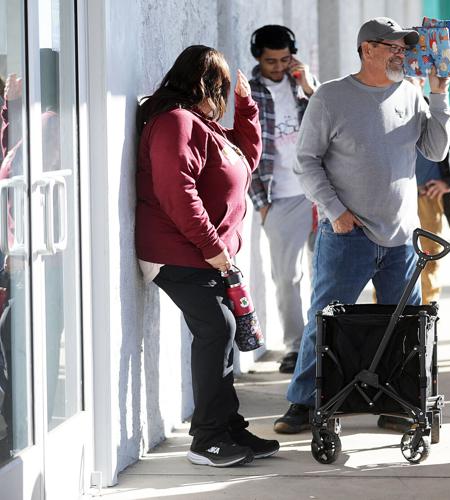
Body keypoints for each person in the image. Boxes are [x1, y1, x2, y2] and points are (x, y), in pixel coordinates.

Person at [272, 17, 450, 434]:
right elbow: (306, 162)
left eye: (405, 49)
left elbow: (435, 148)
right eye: (394, 47)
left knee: (404, 324)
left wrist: (440, 97)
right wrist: (335, 210)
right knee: (326, 319)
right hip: (346, 233)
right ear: (367, 49)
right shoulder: (332, 97)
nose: (402, 55)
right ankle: (302, 402)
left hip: (401, 236)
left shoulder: (410, 93)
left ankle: (399, 401)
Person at [135, 45, 279, 467]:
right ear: (204, 84)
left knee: (225, 331)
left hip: (206, 254)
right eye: (222, 89)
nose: (223, 97)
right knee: (217, 329)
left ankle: (227, 426)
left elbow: (246, 161)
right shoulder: (174, 122)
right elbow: (177, 192)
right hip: (179, 253)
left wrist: (247, 108)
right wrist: (214, 248)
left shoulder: (203, 125)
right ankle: (207, 440)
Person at [247, 25, 319, 374]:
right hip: (280, 199)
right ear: (258, 58)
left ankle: (324, 345)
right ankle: (295, 346)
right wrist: (261, 204)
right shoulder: (247, 92)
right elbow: (245, 150)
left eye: (284, 59)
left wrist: (308, 86)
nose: (278, 66)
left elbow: (327, 124)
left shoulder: (305, 85)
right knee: (286, 278)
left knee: (324, 274)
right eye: (270, 61)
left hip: (319, 192)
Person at [406, 76, 450, 304]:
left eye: (412, 76)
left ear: (420, 81)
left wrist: (448, 183)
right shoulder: (384, 110)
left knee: (428, 261)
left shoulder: (432, 110)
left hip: (427, 199)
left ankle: (426, 321)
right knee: (389, 264)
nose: (407, 82)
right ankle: (388, 325)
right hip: (392, 200)